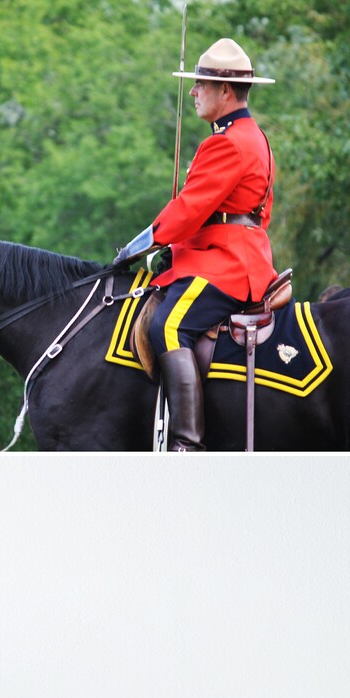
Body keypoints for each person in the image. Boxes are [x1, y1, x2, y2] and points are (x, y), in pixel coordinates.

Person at [114, 38, 277, 451]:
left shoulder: (226, 142)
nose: (193, 92)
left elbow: (188, 209)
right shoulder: (252, 136)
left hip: (227, 265)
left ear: (225, 91)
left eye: (201, 83)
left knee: (166, 325)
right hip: (230, 253)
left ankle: (186, 444)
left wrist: (139, 246)